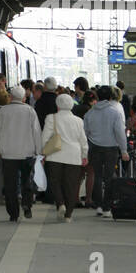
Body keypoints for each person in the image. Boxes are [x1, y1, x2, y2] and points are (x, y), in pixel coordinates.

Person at [0, 84, 42, 221]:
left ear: (11, 97)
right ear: (24, 98)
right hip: (27, 153)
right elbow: (36, 133)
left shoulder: (3, 112)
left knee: (10, 185)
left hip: (8, 154)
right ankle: (27, 204)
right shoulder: (30, 111)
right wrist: (39, 151)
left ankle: (13, 213)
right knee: (27, 181)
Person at [83, 84, 129, 217]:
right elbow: (119, 132)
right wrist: (124, 150)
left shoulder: (89, 113)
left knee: (97, 176)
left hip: (94, 148)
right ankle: (107, 208)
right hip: (111, 148)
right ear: (110, 97)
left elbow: (85, 132)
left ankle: (98, 205)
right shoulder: (115, 113)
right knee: (109, 177)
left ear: (98, 96)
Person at [42, 93, 89, 221]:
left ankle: (60, 203)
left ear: (57, 105)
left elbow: (45, 137)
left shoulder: (51, 118)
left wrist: (43, 152)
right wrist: (84, 155)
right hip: (74, 156)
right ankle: (68, 215)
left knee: (55, 182)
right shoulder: (79, 121)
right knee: (72, 186)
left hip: (55, 155)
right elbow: (83, 141)